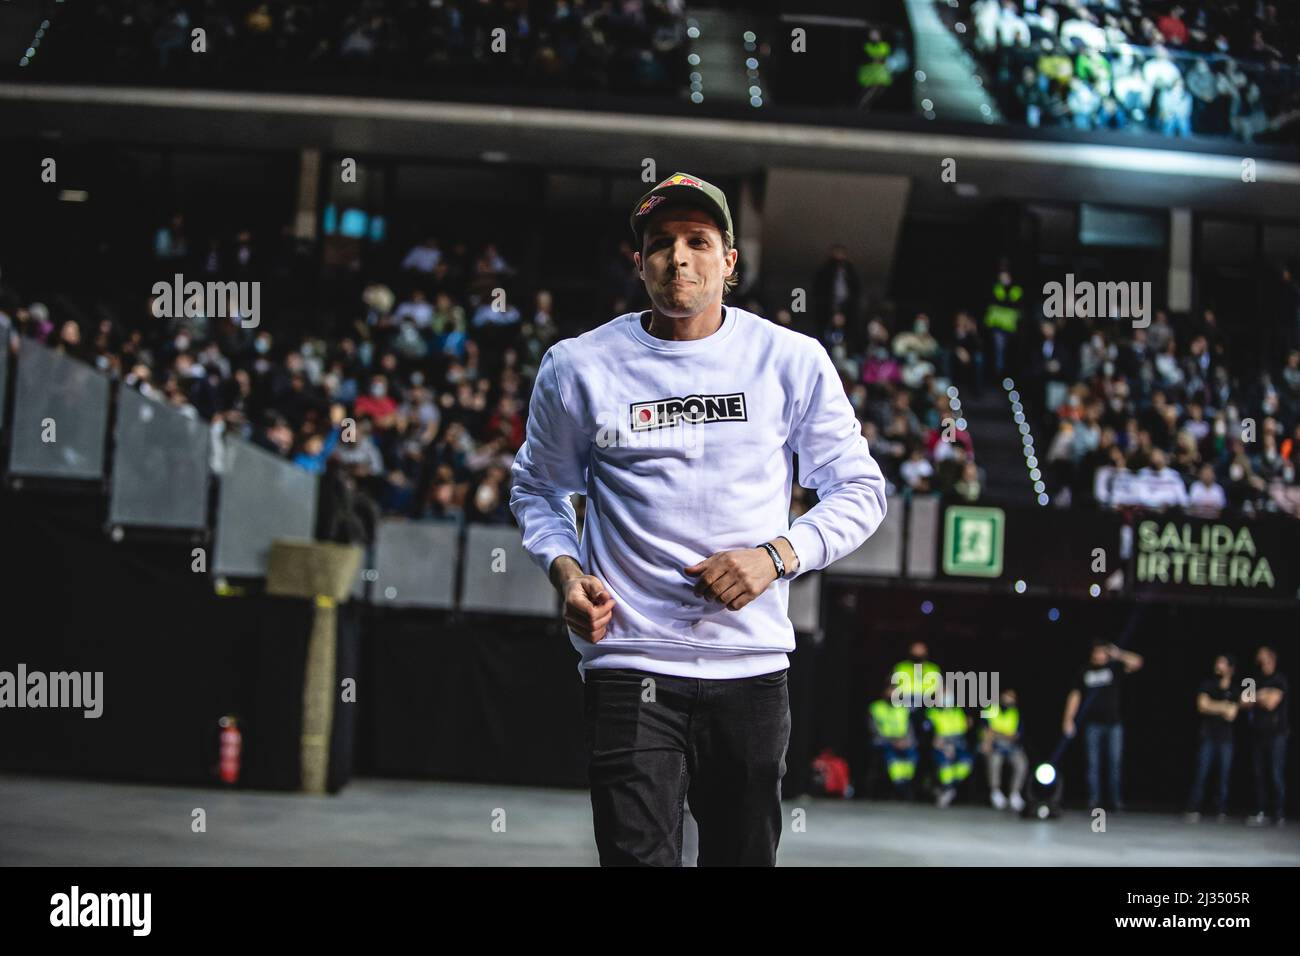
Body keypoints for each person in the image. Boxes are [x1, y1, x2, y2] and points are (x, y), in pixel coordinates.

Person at [509, 171, 889, 866]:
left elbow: (860, 490)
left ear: (729, 261)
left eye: (697, 241)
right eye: (660, 244)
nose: (677, 258)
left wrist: (775, 556)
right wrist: (565, 574)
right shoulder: (579, 366)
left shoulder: (790, 360)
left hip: (749, 667)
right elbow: (536, 489)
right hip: (629, 660)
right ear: (639, 262)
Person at [1062, 639, 1144, 811]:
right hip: (1093, 724)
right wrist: (1068, 719)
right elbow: (1075, 696)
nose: (1099, 655)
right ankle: (1094, 801)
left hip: (1114, 723)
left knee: (1114, 762)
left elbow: (1137, 662)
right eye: (1096, 651)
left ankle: (1115, 801)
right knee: (1093, 764)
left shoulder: (1114, 667)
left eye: (1102, 652)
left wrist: (1118, 654)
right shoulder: (1085, 671)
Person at [1185, 654, 1239, 822]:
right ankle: (1194, 808)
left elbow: (1232, 714)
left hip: (1226, 738)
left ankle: (1220, 809)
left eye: (1222, 663)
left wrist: (1213, 705)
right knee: (1201, 772)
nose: (1218, 666)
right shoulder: (1208, 684)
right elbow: (1202, 706)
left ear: (1230, 668)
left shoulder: (1236, 688)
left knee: (1224, 775)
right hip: (1207, 735)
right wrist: (1223, 705)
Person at [1240, 647, 1288, 826]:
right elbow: (1244, 702)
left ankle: (1278, 812)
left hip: (1277, 734)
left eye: (1262, 655)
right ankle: (1260, 810)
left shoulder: (1279, 679)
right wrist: (1262, 695)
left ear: (1270, 658)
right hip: (1257, 733)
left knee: (1275, 772)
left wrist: (1257, 696)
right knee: (1258, 773)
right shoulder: (1251, 678)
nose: (1258, 657)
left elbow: (1271, 703)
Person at [869, 680, 917, 800]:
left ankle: (904, 784)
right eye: (890, 691)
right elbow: (874, 730)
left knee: (912, 754)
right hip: (884, 742)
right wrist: (893, 741)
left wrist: (905, 741)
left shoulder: (904, 709)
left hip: (902, 742)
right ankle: (899, 787)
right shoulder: (876, 708)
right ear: (885, 692)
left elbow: (909, 730)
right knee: (890, 756)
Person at [982, 687, 1027, 812]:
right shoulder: (990, 709)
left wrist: (999, 733)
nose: (1009, 699)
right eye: (1007, 696)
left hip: (1010, 745)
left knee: (1021, 762)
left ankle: (1015, 794)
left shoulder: (1015, 713)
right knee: (994, 760)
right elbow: (987, 730)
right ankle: (995, 792)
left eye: (1012, 697)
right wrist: (992, 738)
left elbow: (1017, 734)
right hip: (994, 744)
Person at [927, 695, 972, 807]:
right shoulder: (932, 712)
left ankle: (947, 789)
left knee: (966, 764)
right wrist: (945, 747)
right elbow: (931, 738)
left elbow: (963, 732)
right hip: (940, 747)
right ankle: (945, 789)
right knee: (945, 766)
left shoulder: (958, 711)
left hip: (957, 746)